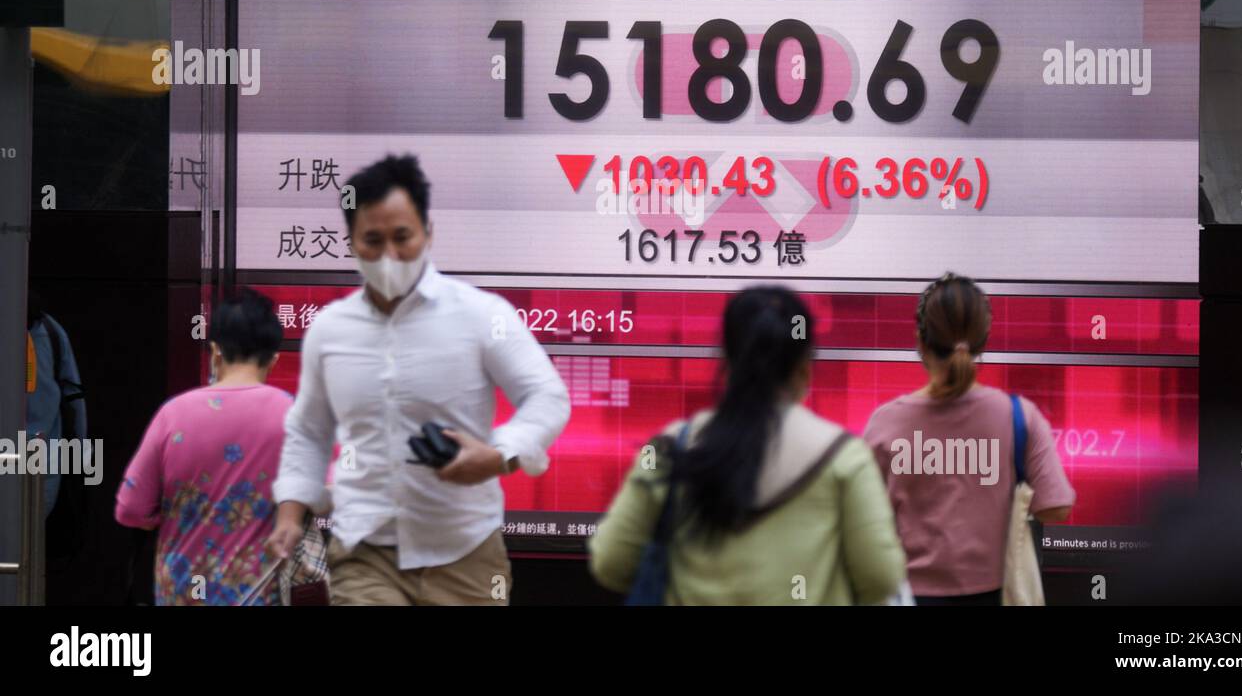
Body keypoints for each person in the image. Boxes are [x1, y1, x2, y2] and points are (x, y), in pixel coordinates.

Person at [268, 154, 570, 606]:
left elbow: (546, 396)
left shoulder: (482, 315)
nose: (390, 255)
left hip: (466, 555)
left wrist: (496, 455)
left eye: (403, 237)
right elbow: (308, 431)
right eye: (372, 240)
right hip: (363, 551)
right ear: (350, 241)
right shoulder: (330, 331)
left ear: (429, 233)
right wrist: (290, 512)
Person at [589, 286, 905, 605]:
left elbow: (610, 562)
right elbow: (881, 578)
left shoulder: (665, 449)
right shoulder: (846, 457)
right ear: (805, 366)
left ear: (726, 360)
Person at [863, 273, 1075, 605]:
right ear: (982, 341)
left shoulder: (885, 422)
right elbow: (1056, 506)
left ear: (921, 342)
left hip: (907, 596)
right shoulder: (1019, 416)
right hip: (995, 594)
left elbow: (864, 519)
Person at [115, 289, 291, 605]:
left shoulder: (174, 414)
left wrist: (168, 516)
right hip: (260, 592)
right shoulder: (291, 415)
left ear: (215, 351)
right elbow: (331, 490)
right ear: (274, 359)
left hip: (183, 592)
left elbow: (130, 508)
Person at [25, 289, 86, 521]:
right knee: (28, 534)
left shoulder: (50, 333)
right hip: (44, 456)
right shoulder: (51, 332)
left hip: (39, 456)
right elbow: (74, 395)